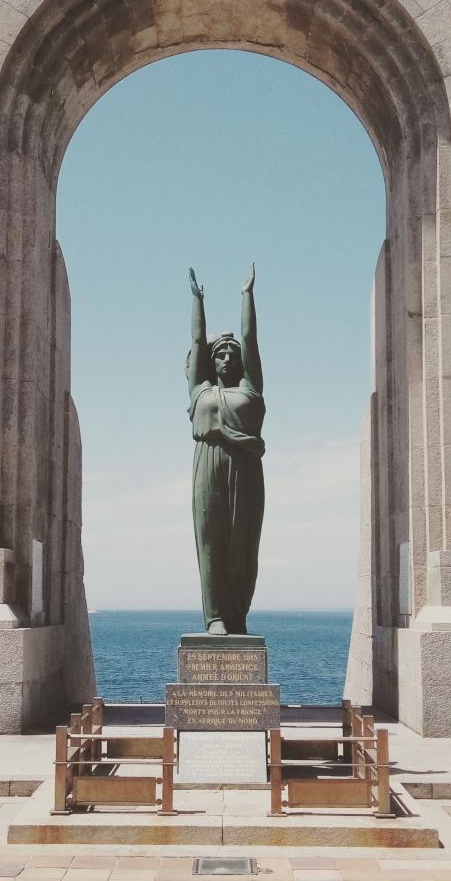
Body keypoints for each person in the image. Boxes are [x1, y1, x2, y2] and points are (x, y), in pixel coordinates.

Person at [187, 264, 265, 635]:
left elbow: (250, 340)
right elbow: (196, 344)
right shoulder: (200, 390)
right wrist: (197, 301)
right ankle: (215, 615)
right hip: (208, 465)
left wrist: (246, 295)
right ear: (211, 361)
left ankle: (238, 614)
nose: (228, 358)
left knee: (242, 544)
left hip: (245, 468)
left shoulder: (250, 389)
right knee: (211, 541)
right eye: (220, 354)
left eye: (232, 354)